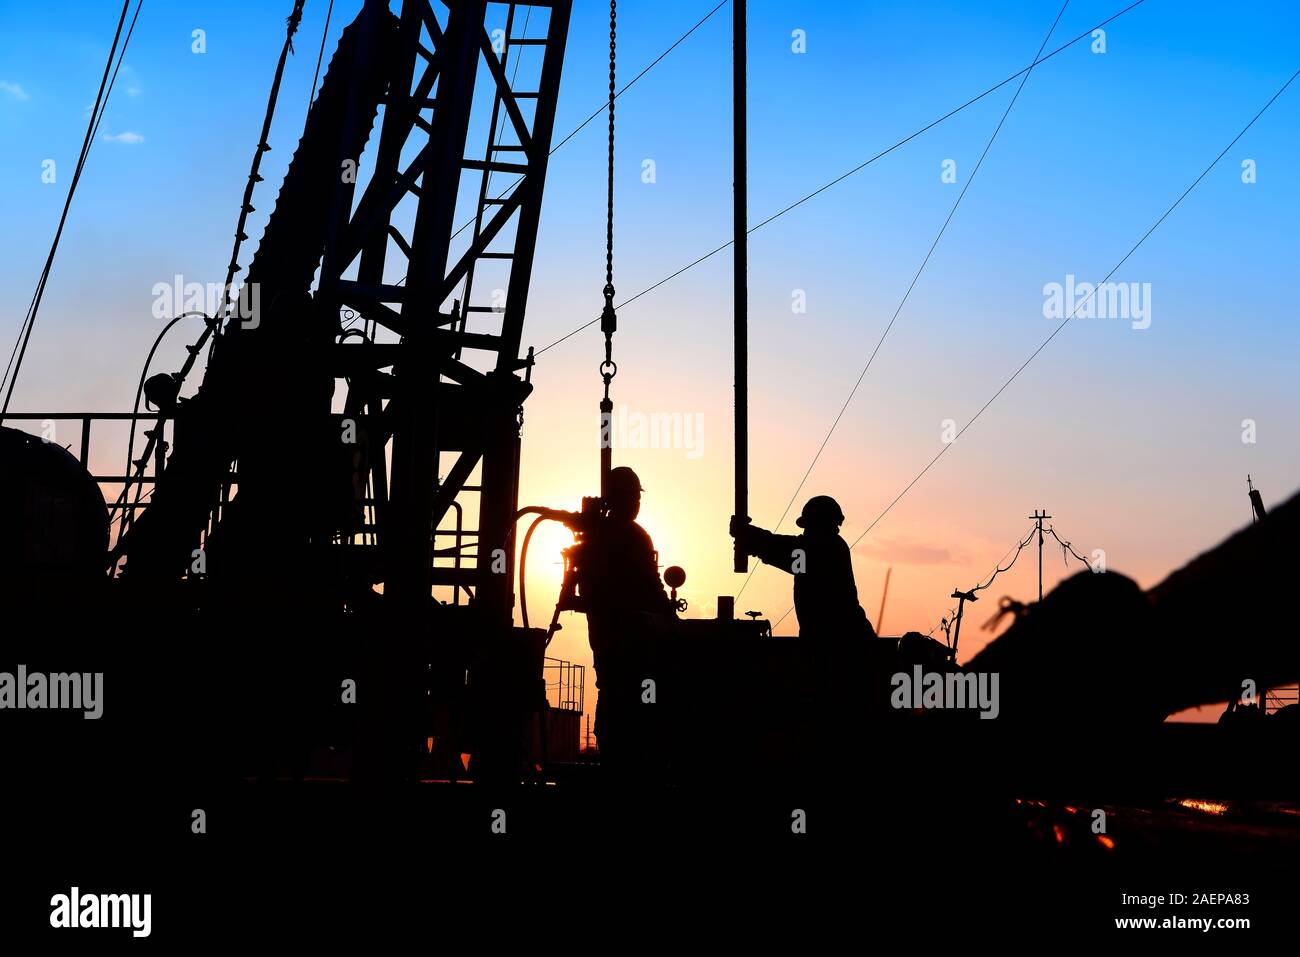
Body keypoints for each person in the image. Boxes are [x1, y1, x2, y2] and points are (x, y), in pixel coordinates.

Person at [553, 466, 675, 773]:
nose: (637, 503)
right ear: (623, 498)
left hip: (606, 639)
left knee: (611, 694)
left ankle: (616, 766)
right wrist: (673, 621)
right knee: (641, 705)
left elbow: (582, 587)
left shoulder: (594, 537)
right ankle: (636, 770)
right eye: (633, 496)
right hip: (634, 640)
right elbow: (651, 584)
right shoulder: (633, 536)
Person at [730, 496, 876, 642]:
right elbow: (786, 553)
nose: (805, 533)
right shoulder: (825, 548)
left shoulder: (828, 549)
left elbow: (787, 552)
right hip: (840, 640)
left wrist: (750, 537)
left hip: (844, 642)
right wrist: (752, 540)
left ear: (820, 525)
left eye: (809, 528)